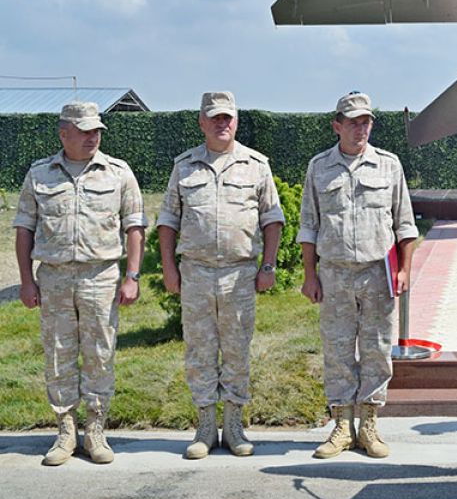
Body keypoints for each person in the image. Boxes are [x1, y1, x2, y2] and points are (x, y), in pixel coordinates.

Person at [14, 102, 146, 466]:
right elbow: (24, 229)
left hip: (100, 276)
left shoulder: (118, 173)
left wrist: (132, 276)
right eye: (85, 130)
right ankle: (66, 429)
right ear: (64, 133)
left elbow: (134, 228)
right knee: (58, 354)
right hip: (54, 278)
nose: (93, 136)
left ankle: (96, 428)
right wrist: (26, 280)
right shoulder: (40, 174)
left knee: (100, 353)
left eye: (97, 130)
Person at [158, 91, 285, 459]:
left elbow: (272, 219)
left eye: (227, 117)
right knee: (199, 351)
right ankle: (203, 428)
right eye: (214, 118)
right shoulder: (184, 167)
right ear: (201, 122)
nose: (222, 123)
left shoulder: (256, 165)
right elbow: (167, 222)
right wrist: (169, 268)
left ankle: (233, 425)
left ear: (237, 120)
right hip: (195, 273)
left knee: (236, 351)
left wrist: (268, 265)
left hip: (239, 274)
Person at [299, 91, 418, 459]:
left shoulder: (389, 165)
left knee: (377, 350)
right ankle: (341, 426)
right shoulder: (319, 167)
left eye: (365, 121)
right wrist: (309, 275)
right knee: (337, 350)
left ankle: (369, 425)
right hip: (334, 274)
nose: (360, 128)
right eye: (352, 122)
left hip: (376, 273)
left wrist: (404, 270)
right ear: (337, 125)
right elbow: (308, 225)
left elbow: (405, 225)